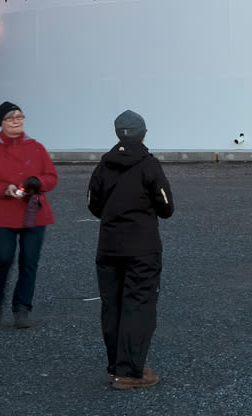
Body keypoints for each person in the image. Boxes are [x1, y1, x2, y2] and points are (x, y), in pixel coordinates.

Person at [87, 110, 174, 391]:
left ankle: (118, 367)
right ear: (143, 134)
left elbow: (93, 203)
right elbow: (166, 207)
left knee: (113, 306)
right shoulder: (149, 165)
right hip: (142, 248)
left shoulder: (104, 165)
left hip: (109, 246)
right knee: (139, 306)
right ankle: (130, 372)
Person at [0, 101, 59, 328]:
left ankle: (22, 308)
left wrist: (37, 182)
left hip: (34, 213)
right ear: (0, 123)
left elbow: (51, 176)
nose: (16, 122)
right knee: (3, 258)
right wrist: (4, 189)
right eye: (11, 118)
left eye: (19, 117)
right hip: (2, 214)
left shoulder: (37, 147)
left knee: (29, 262)